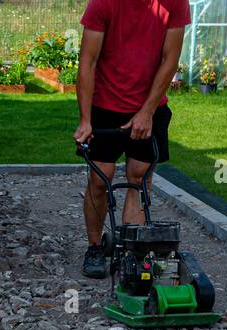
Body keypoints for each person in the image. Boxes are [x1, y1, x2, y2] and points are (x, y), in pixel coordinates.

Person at [73, 0, 190, 278]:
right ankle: (95, 247)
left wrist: (147, 112)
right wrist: (86, 119)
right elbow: (87, 61)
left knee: (139, 178)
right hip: (105, 106)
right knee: (100, 180)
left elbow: (170, 59)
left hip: (151, 106)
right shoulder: (103, 4)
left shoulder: (175, 3)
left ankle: (131, 252)